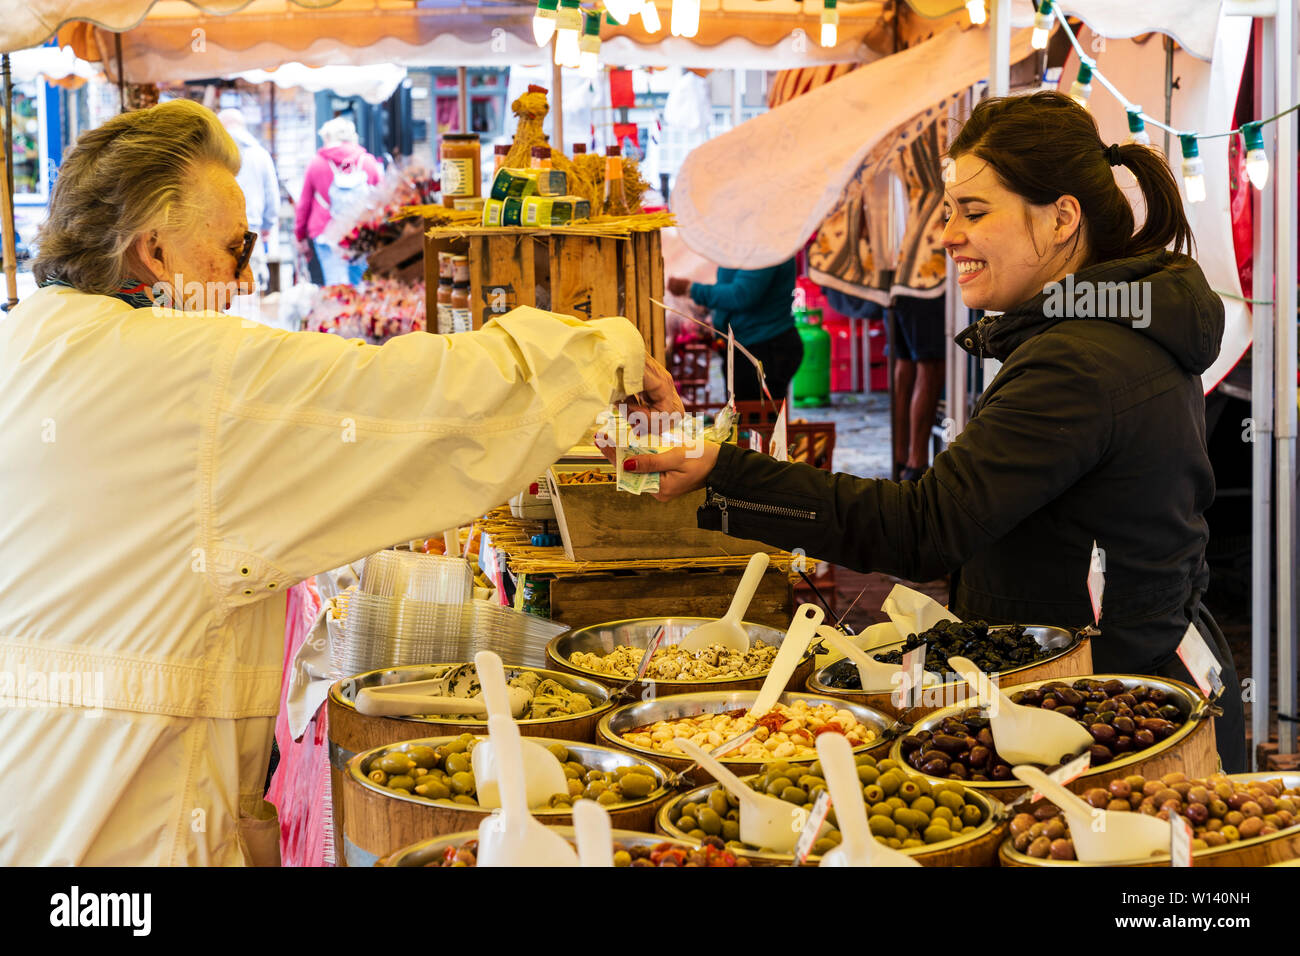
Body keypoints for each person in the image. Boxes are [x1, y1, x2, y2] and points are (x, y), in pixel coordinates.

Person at [0, 98, 681, 865]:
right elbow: (410, 401)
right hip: (117, 836)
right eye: (234, 248)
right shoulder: (183, 367)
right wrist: (600, 353)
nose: (246, 276)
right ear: (154, 254)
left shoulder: (23, 342)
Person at [619, 92, 1245, 772]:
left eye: (974, 212)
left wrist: (723, 470)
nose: (947, 235)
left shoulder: (1079, 359)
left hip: (1105, 715)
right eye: (949, 212)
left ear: (1063, 218)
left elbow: (924, 528)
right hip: (1116, 681)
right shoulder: (1114, 322)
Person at [666, 258, 802, 403]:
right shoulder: (746, 247)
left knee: (754, 418)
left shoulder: (765, 248)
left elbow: (741, 295)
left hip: (764, 348)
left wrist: (692, 289)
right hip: (746, 346)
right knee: (744, 415)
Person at [294, 116, 382, 287]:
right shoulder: (368, 162)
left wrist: (300, 235)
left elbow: (304, 204)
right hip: (361, 233)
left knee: (335, 285)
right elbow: (381, 200)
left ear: (327, 138)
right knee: (360, 284)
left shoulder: (316, 163)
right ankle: (358, 311)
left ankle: (338, 311)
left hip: (326, 233)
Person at [218, 107, 279, 293]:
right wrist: (267, 225)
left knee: (221, 287)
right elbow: (271, 194)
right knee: (249, 286)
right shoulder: (260, 154)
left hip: (218, 230)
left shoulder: (214, 155)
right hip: (252, 229)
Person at [888, 293, 946, 481]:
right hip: (924, 285)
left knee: (905, 364)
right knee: (931, 365)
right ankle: (916, 466)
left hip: (897, 284)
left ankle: (901, 464)